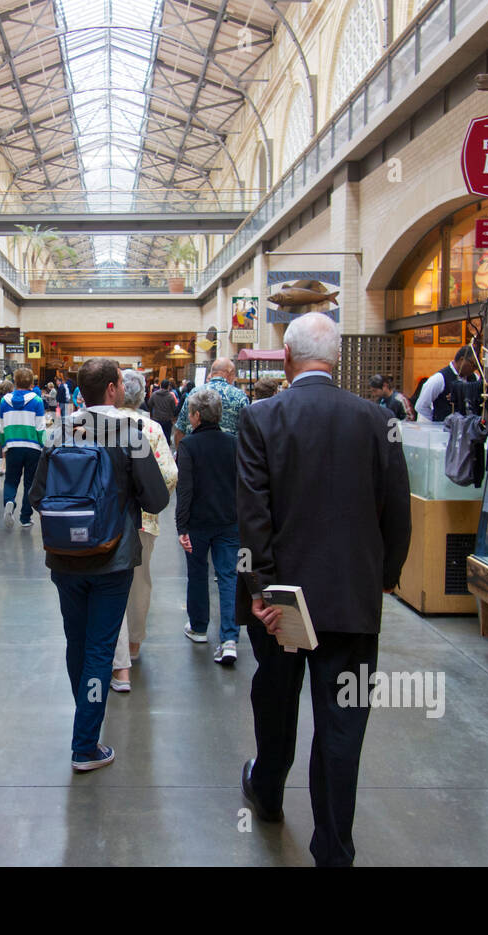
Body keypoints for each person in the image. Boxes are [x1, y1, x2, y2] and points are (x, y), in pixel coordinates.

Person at [235, 313, 411, 866]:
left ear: (287, 358)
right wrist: (383, 578)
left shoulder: (261, 417)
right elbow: (398, 511)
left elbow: (253, 514)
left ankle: (267, 790)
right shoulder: (376, 420)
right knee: (342, 725)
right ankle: (334, 848)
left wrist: (260, 589)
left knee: (276, 700)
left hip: (282, 601)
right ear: (336, 360)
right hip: (351, 598)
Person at [28, 359, 169, 771]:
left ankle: (85, 720)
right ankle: (85, 744)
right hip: (113, 557)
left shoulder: (59, 431)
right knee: (101, 649)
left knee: (77, 641)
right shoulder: (131, 433)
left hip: (64, 559)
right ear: (112, 387)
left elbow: (37, 495)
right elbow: (157, 500)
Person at [109, 369, 177, 693]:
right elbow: (169, 473)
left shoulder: (99, 425)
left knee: (108, 587)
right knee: (139, 583)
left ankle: (117, 660)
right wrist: (150, 500)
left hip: (104, 522)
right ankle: (133, 645)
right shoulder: (149, 428)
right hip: (143, 522)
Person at [175, 389, 241, 664]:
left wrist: (181, 527)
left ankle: (199, 626)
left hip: (198, 522)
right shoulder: (234, 443)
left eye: (190, 412)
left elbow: (185, 489)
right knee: (228, 577)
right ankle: (229, 638)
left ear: (197, 416)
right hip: (229, 520)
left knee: (198, 574)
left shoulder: (188, 446)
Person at [0, 366, 46, 530]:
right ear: (31, 383)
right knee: (29, 482)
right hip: (33, 447)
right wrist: (44, 445)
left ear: (15, 381)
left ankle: (9, 502)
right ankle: (25, 517)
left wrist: (4, 445)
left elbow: (2, 426)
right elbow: (40, 427)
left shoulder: (4, 400)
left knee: (11, 479)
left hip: (13, 445)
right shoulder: (37, 401)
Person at [172, 358, 247, 446]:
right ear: (230, 373)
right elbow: (247, 431)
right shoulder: (239, 396)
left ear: (212, 372)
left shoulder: (194, 392)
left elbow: (180, 429)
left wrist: (181, 454)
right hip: (229, 454)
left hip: (196, 452)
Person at [415, 346, 479, 423]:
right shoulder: (439, 379)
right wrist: (436, 422)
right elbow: (421, 406)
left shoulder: (474, 378)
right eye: (473, 365)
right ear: (462, 360)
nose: (474, 369)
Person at [148, 377, 179, 448]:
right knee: (166, 437)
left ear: (161, 386)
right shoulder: (170, 396)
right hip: (167, 420)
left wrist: (152, 414)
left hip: (156, 419)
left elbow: (149, 404)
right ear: (168, 386)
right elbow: (174, 409)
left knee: (156, 437)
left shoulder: (154, 394)